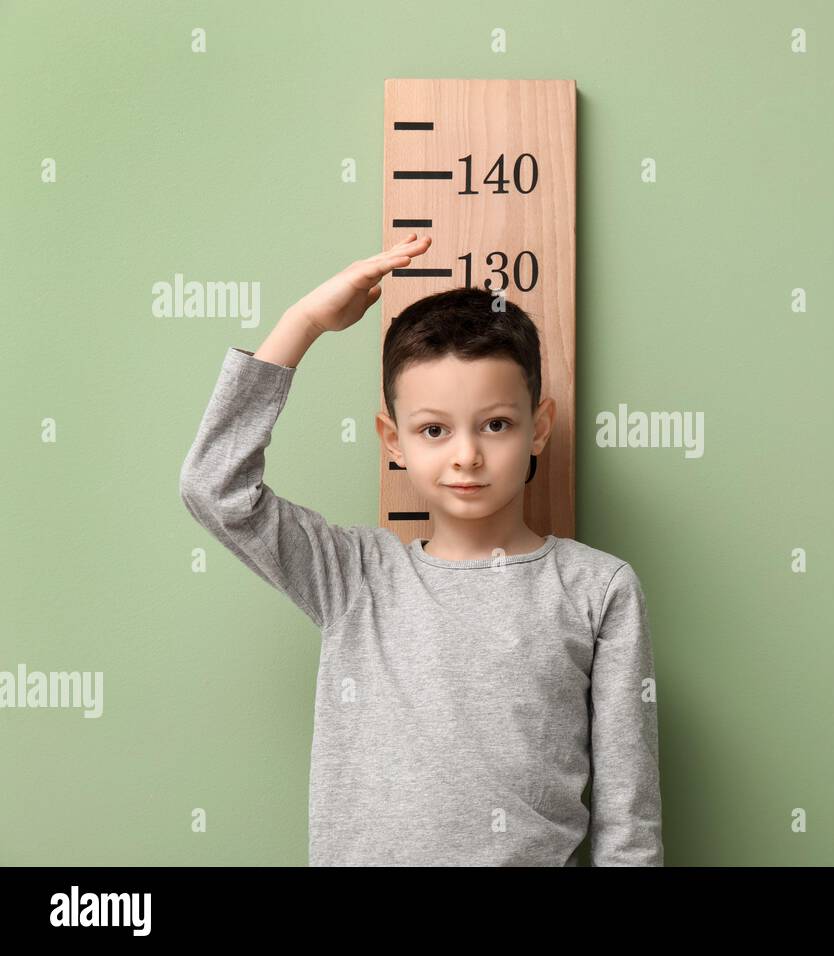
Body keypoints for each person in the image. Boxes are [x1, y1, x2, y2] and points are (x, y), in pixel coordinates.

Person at [178, 235, 663, 865]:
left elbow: (629, 820)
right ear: (393, 439)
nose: (466, 454)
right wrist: (304, 323)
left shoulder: (599, 588)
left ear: (539, 427)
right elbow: (214, 488)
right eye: (433, 429)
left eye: (497, 424)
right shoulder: (352, 578)